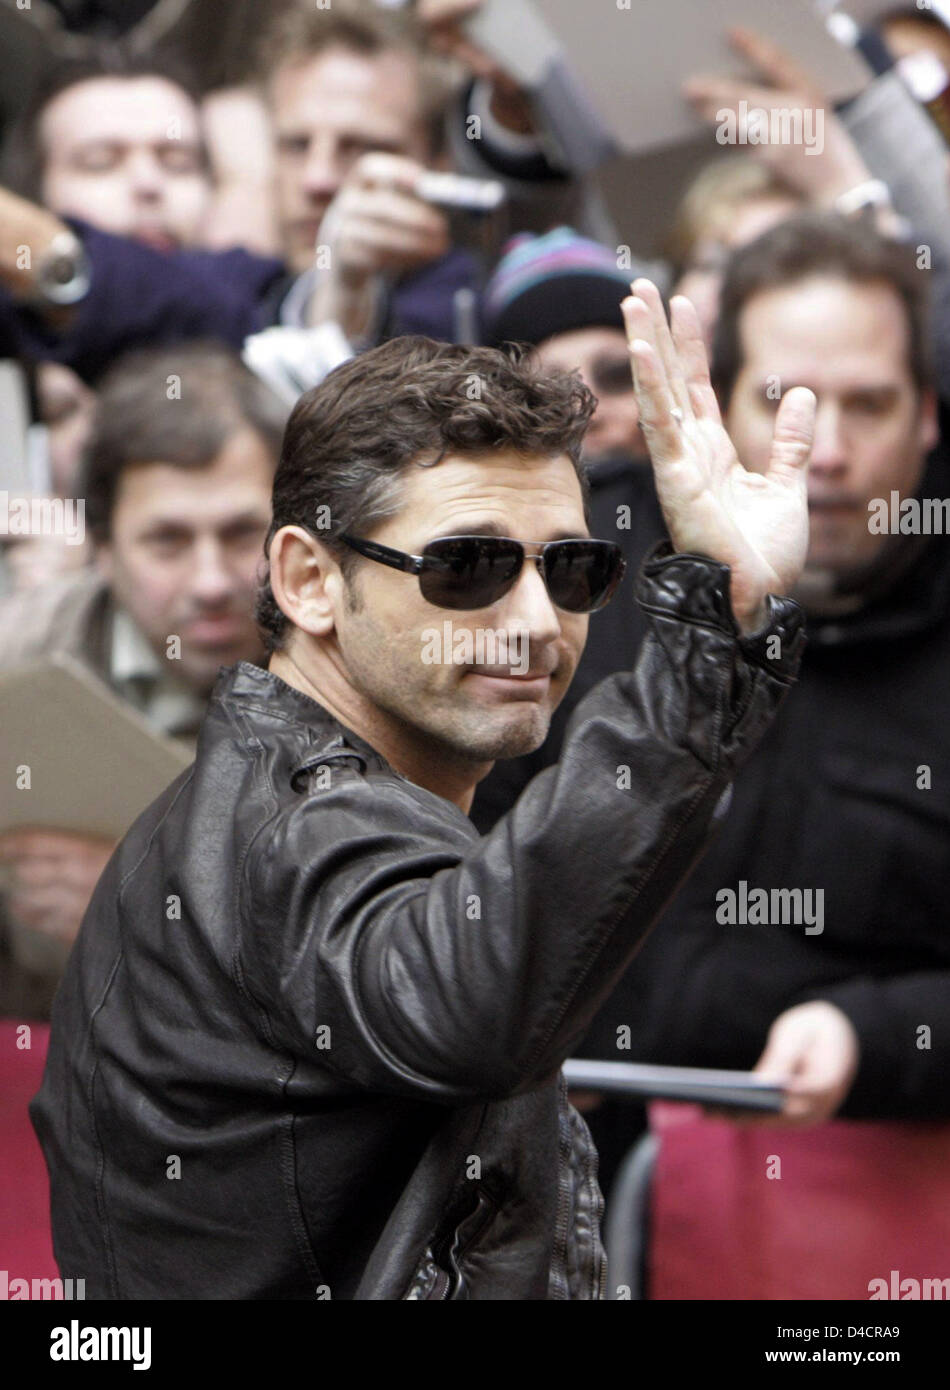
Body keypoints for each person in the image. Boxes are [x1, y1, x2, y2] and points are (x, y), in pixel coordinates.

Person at [30, 293, 816, 1299]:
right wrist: (711, 639)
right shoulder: (302, 828)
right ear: (309, 580)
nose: (534, 620)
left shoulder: (269, 798)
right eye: (467, 566)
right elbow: (465, 1001)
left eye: (570, 570)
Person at [564, 215, 949, 1192]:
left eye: (867, 403)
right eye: (780, 401)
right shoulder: (580, 569)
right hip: (549, 1177)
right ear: (715, 403)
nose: (819, 452)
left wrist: (874, 1034)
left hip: (850, 1201)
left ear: (928, 414)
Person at [0, 343, 285, 1016]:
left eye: (243, 533)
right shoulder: (16, 665)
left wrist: (136, 912)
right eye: (168, 541)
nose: (211, 582)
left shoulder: (365, 680)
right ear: (100, 545)